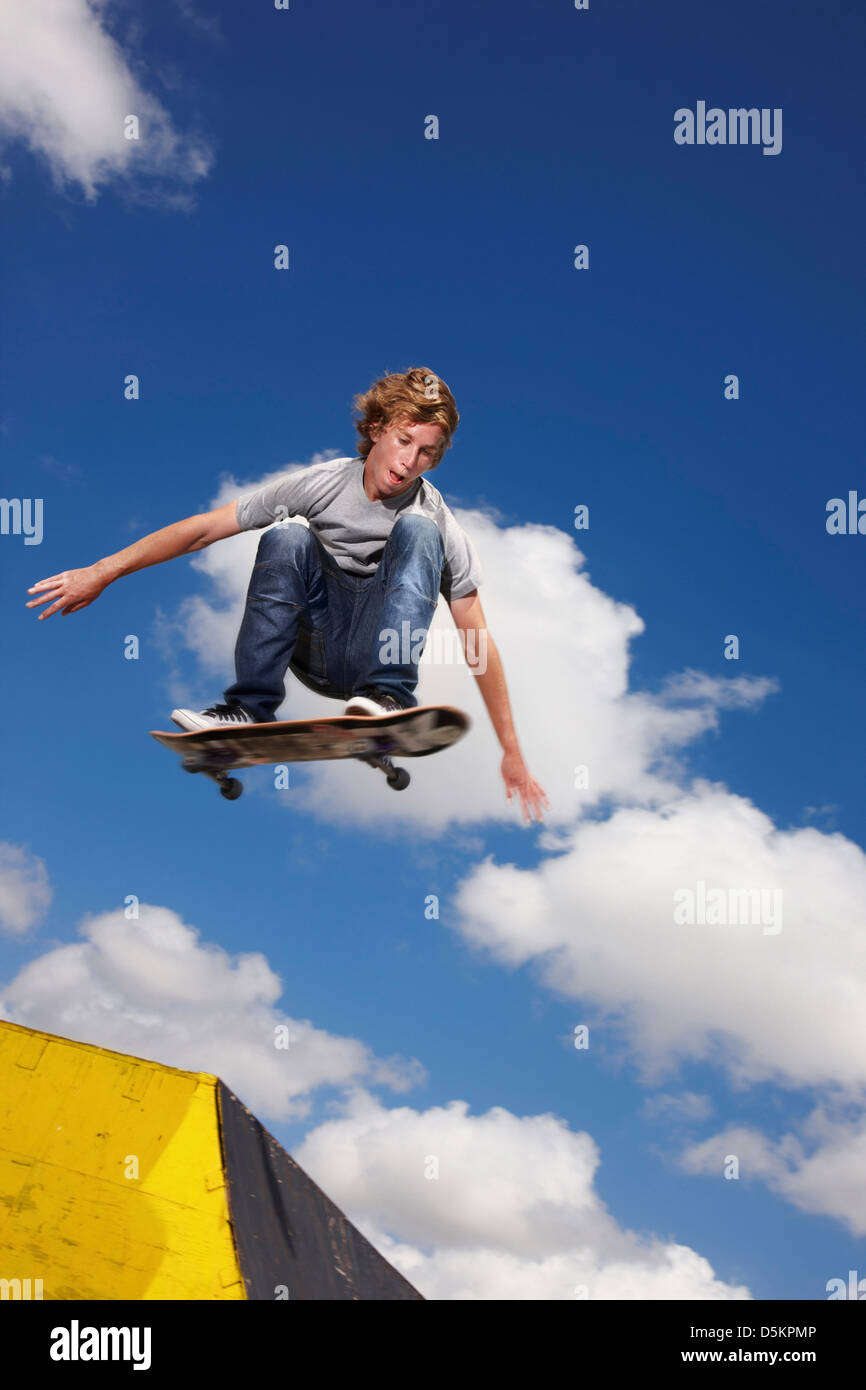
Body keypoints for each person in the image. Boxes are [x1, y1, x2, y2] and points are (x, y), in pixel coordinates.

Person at [26, 367, 549, 823]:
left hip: (376, 654)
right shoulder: (321, 483)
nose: (410, 462)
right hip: (314, 647)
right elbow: (206, 529)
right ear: (376, 429)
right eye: (404, 440)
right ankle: (250, 708)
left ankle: (388, 696)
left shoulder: (435, 515)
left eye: (427, 453)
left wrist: (512, 751)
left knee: (418, 532)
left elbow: (476, 637)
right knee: (287, 533)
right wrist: (102, 571)